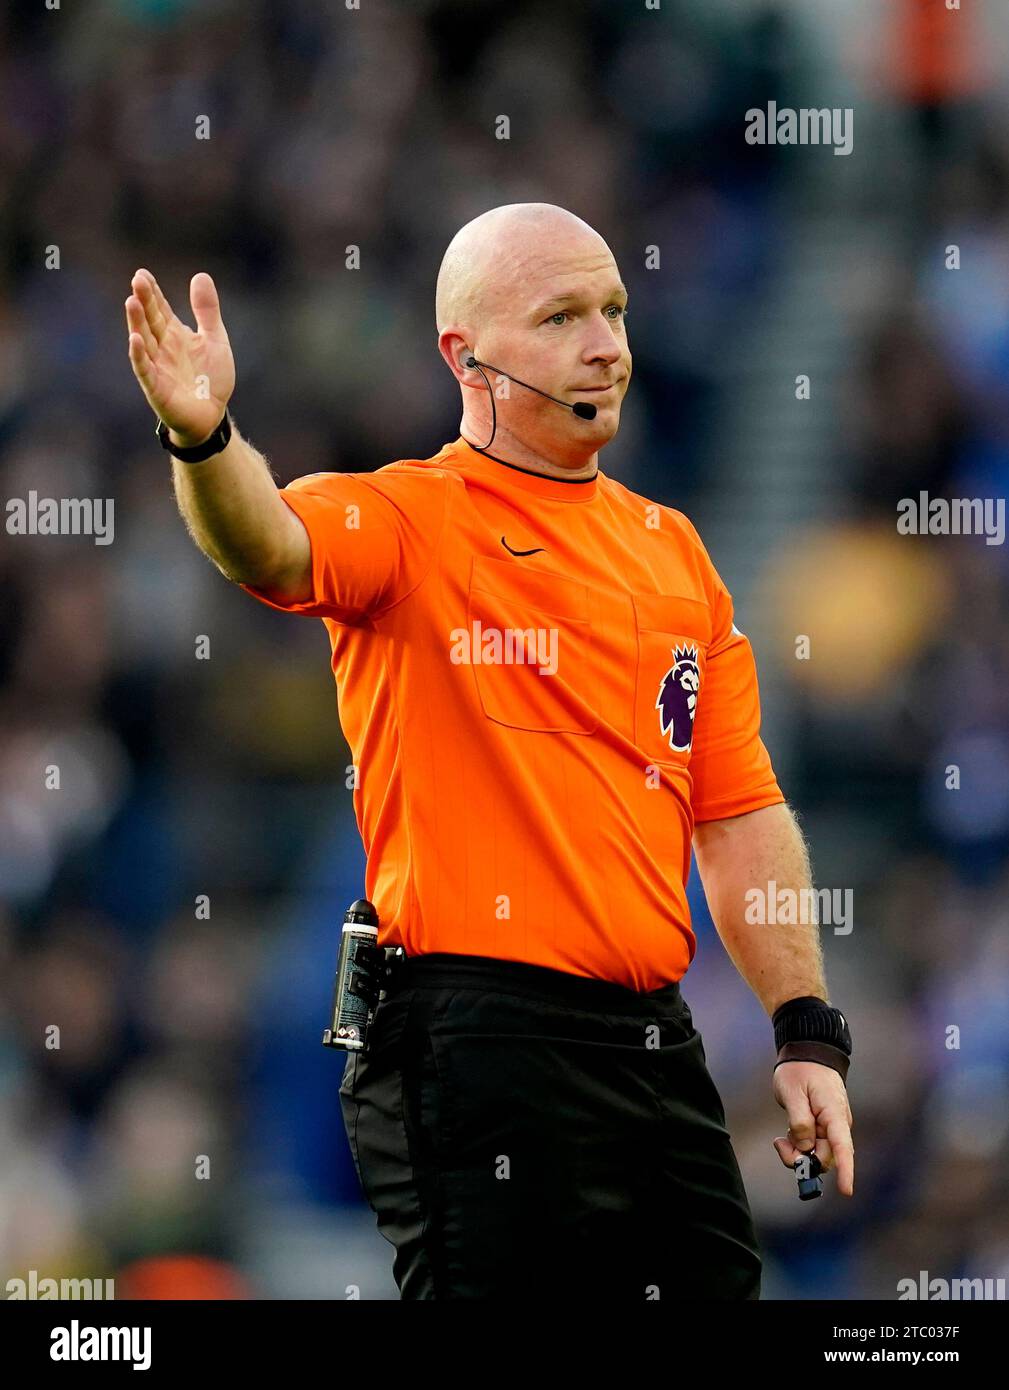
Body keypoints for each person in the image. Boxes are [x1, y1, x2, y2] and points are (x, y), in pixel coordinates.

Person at [125, 202, 854, 1301]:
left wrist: (803, 1027)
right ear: (465, 359)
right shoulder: (412, 519)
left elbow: (738, 808)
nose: (605, 341)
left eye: (612, 308)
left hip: (651, 1042)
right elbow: (267, 546)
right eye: (561, 316)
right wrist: (203, 437)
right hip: (475, 1037)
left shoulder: (675, 554)